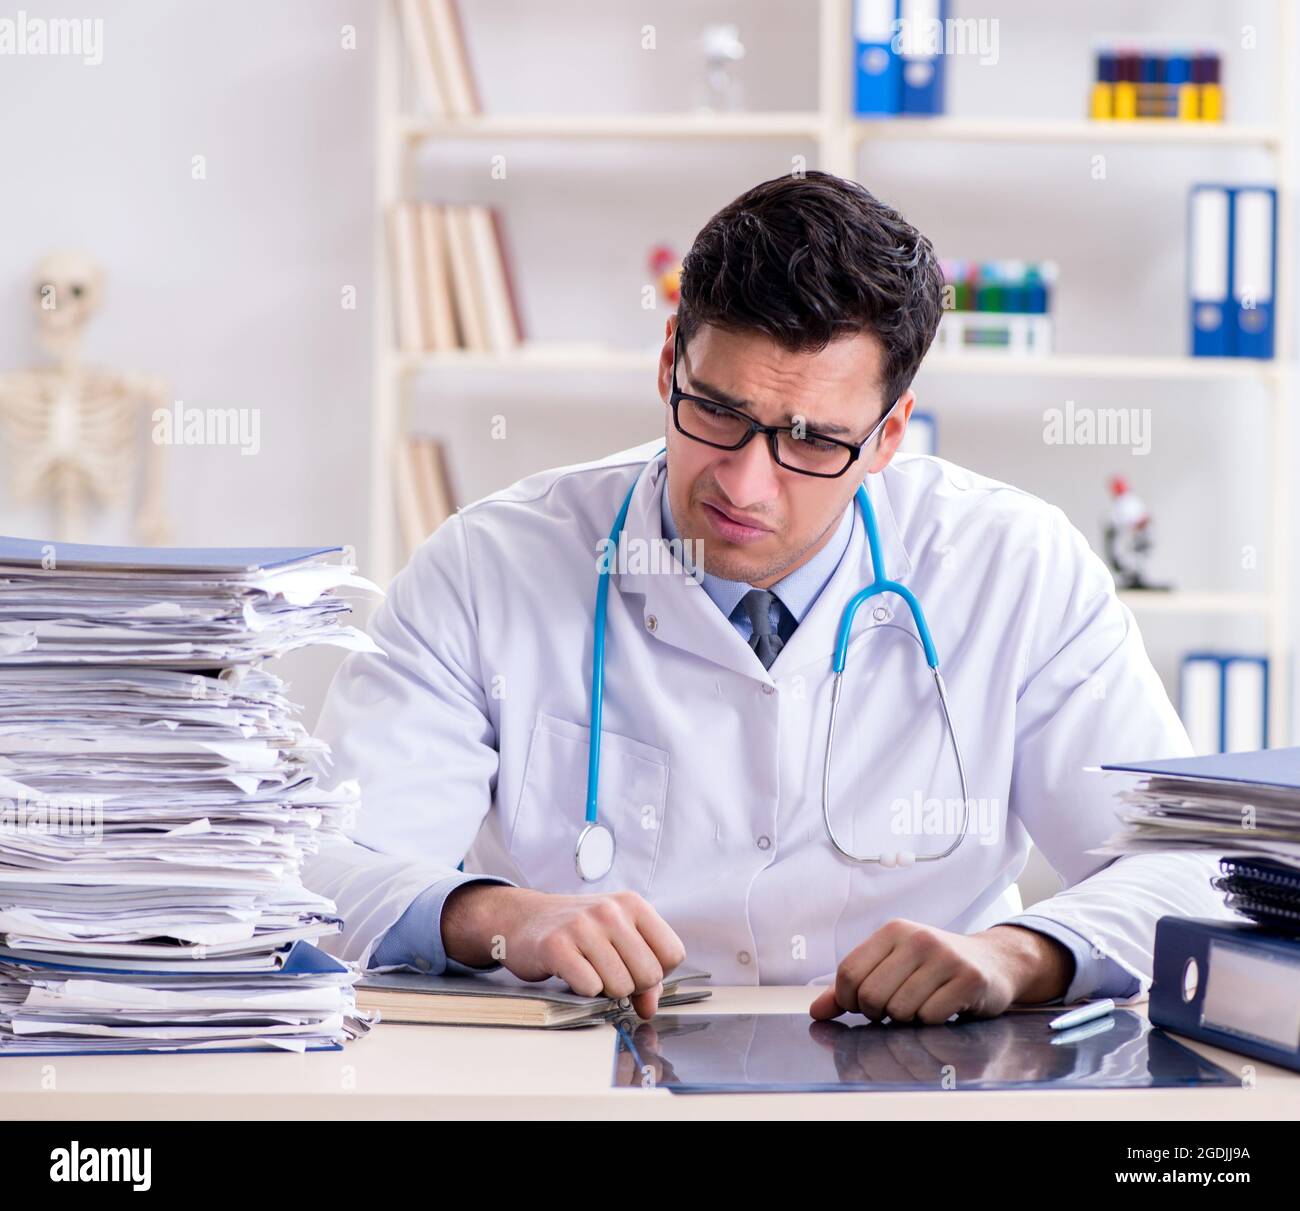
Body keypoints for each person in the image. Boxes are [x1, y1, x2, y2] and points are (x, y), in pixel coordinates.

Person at [304, 171, 1232, 1023]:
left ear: (888, 433)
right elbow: (315, 868)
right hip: (580, 1067)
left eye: (813, 440)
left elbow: (1188, 870)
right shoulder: (489, 564)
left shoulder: (1013, 568)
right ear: (670, 361)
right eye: (717, 412)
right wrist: (494, 915)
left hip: (926, 1079)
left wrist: (1022, 955)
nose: (745, 486)